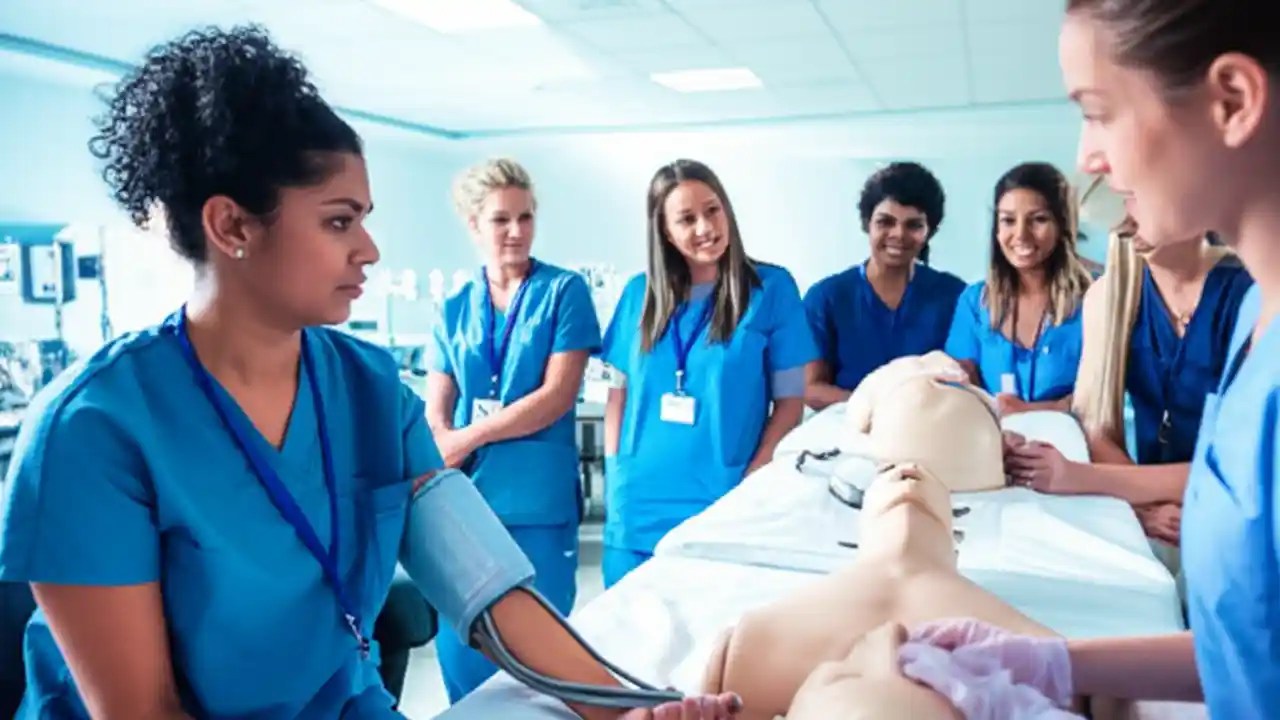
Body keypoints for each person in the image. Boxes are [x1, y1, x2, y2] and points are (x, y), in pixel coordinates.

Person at [0, 26, 736, 720]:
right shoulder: (93, 432)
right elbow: (141, 712)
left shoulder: (369, 390)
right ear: (231, 227)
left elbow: (489, 595)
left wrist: (627, 706)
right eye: (339, 221)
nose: (370, 249)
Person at [910, 1, 1280, 717]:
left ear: (1231, 101)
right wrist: (1051, 662)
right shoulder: (1252, 332)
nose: (1087, 159)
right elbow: (1247, 647)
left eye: (1098, 111)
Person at [700, 462, 1084, 720]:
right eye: (887, 472)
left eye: (936, 485)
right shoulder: (1042, 653)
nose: (909, 471)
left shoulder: (755, 643)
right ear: (858, 532)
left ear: (956, 542)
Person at [427, 157, 601, 702]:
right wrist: (440, 439)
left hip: (538, 511)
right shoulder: (455, 305)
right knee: (463, 656)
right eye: (502, 219)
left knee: (538, 667)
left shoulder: (563, 292)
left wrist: (466, 438)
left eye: (525, 217)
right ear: (474, 225)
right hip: (464, 512)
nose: (517, 231)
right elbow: (438, 405)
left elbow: (555, 397)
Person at [598, 159, 818, 588]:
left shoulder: (770, 289)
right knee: (622, 641)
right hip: (637, 502)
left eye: (713, 210)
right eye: (686, 218)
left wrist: (755, 475)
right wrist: (615, 472)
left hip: (724, 498)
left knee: (710, 645)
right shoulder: (637, 295)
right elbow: (617, 396)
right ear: (664, 230)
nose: (705, 227)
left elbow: (790, 401)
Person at [1007, 217, 1252, 550]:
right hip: (1163, 521)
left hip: (1238, 518)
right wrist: (1147, 510)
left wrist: (1077, 476)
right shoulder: (1110, 296)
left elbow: (1245, 466)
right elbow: (1098, 427)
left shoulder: (1251, 295)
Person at [803, 162, 965, 410]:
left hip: (929, 429)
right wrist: (877, 405)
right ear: (867, 223)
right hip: (848, 429)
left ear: (929, 231)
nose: (898, 234)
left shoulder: (954, 296)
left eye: (913, 225)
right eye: (885, 222)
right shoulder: (827, 297)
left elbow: (965, 383)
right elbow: (809, 388)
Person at [945, 162, 1094, 416]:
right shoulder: (975, 302)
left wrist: (1030, 410)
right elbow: (959, 381)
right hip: (995, 445)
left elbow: (1110, 396)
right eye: (1008, 220)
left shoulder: (1093, 301)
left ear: (1062, 226)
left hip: (1074, 447)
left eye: (1038, 220)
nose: (1021, 234)